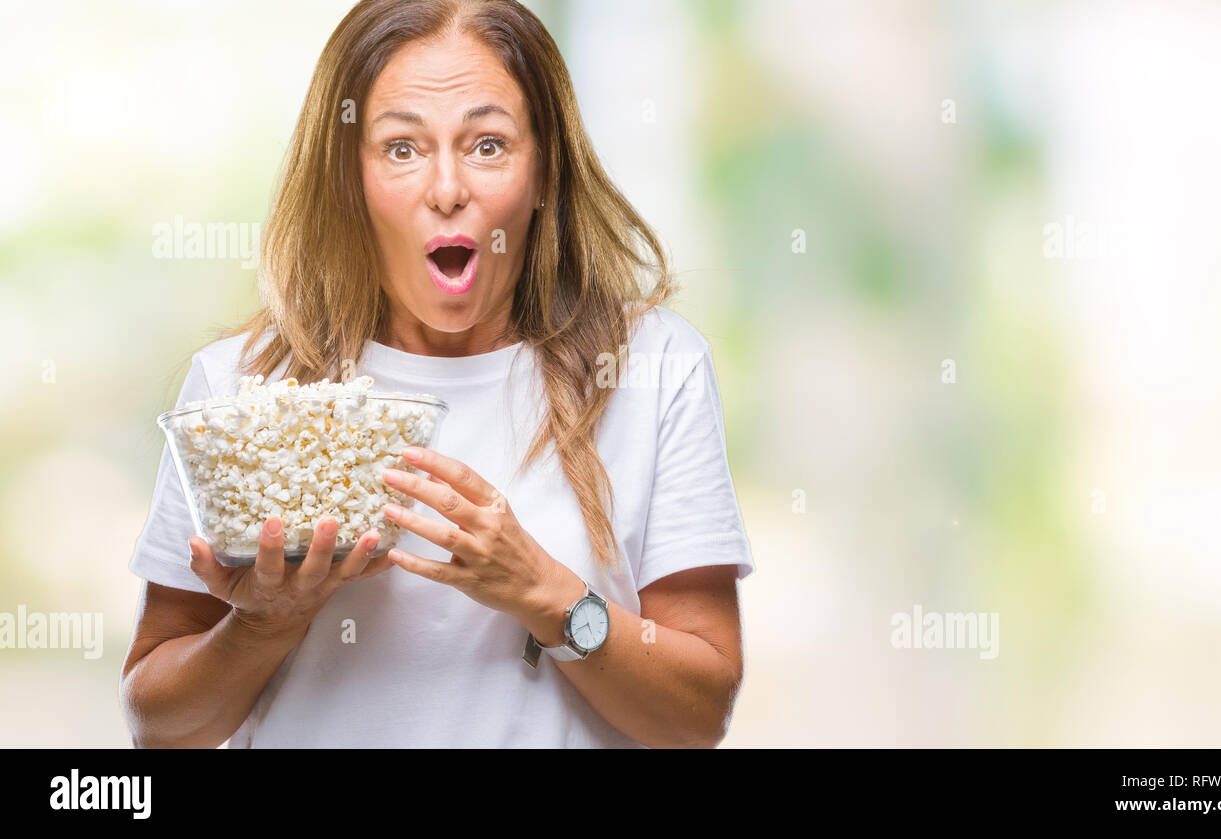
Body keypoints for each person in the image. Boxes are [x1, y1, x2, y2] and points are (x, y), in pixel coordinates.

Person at [120, 0, 754, 748]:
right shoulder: (243, 387)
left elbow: (697, 716)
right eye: (401, 148)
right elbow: (159, 726)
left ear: (544, 169)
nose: (447, 188)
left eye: (488, 145)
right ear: (348, 178)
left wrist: (543, 593)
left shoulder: (651, 370)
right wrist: (267, 623)